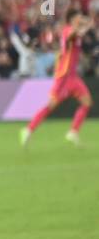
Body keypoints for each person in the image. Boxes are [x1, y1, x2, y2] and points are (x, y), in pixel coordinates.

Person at [20, 10, 92, 147]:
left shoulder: (76, 31)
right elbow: (74, 34)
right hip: (64, 77)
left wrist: (86, 23)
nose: (80, 19)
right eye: (78, 17)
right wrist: (85, 24)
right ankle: (28, 129)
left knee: (87, 102)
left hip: (73, 76)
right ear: (72, 20)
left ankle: (73, 132)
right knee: (50, 106)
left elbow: (81, 33)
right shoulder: (67, 31)